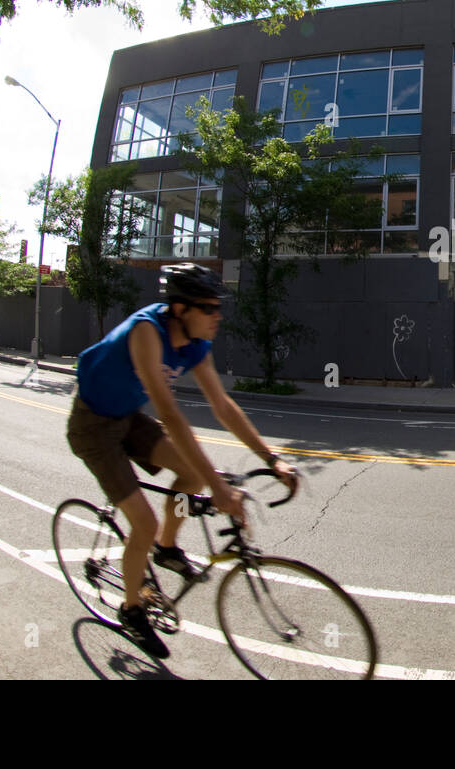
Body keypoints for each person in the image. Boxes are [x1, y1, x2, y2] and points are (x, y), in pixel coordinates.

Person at [66, 263, 296, 658]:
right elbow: (171, 414)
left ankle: (166, 548)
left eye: (217, 307)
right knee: (143, 522)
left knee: (191, 475)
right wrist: (221, 488)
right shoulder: (146, 334)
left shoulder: (195, 345)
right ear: (179, 310)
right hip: (93, 426)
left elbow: (222, 405)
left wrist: (271, 457)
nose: (217, 316)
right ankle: (132, 609)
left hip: (126, 416)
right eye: (208, 308)